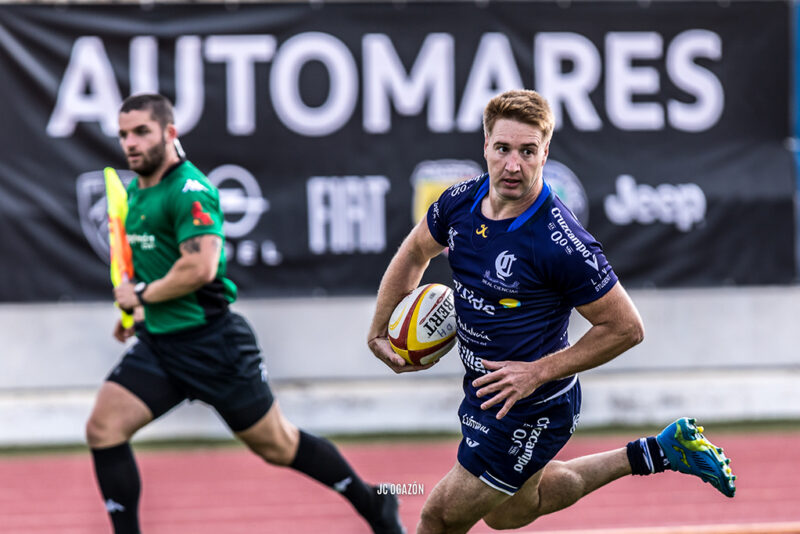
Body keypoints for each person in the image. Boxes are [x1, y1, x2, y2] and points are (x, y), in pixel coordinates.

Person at [367, 89, 736, 533]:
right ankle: (660, 451)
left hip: (532, 406)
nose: (513, 165)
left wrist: (535, 373)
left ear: (545, 152)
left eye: (527, 151)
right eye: (502, 149)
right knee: (511, 512)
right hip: (487, 392)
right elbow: (414, 252)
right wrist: (378, 330)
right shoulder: (460, 202)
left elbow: (625, 328)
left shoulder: (560, 242)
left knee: (439, 518)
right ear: (485, 145)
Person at [85, 93, 404, 534]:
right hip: (159, 345)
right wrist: (134, 317)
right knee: (103, 428)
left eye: (141, 131)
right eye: (123, 134)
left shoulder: (189, 189)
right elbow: (155, 261)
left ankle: (375, 503)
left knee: (278, 446)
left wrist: (139, 294)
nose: (130, 143)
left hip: (214, 346)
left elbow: (200, 267)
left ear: (169, 132)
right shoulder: (137, 190)